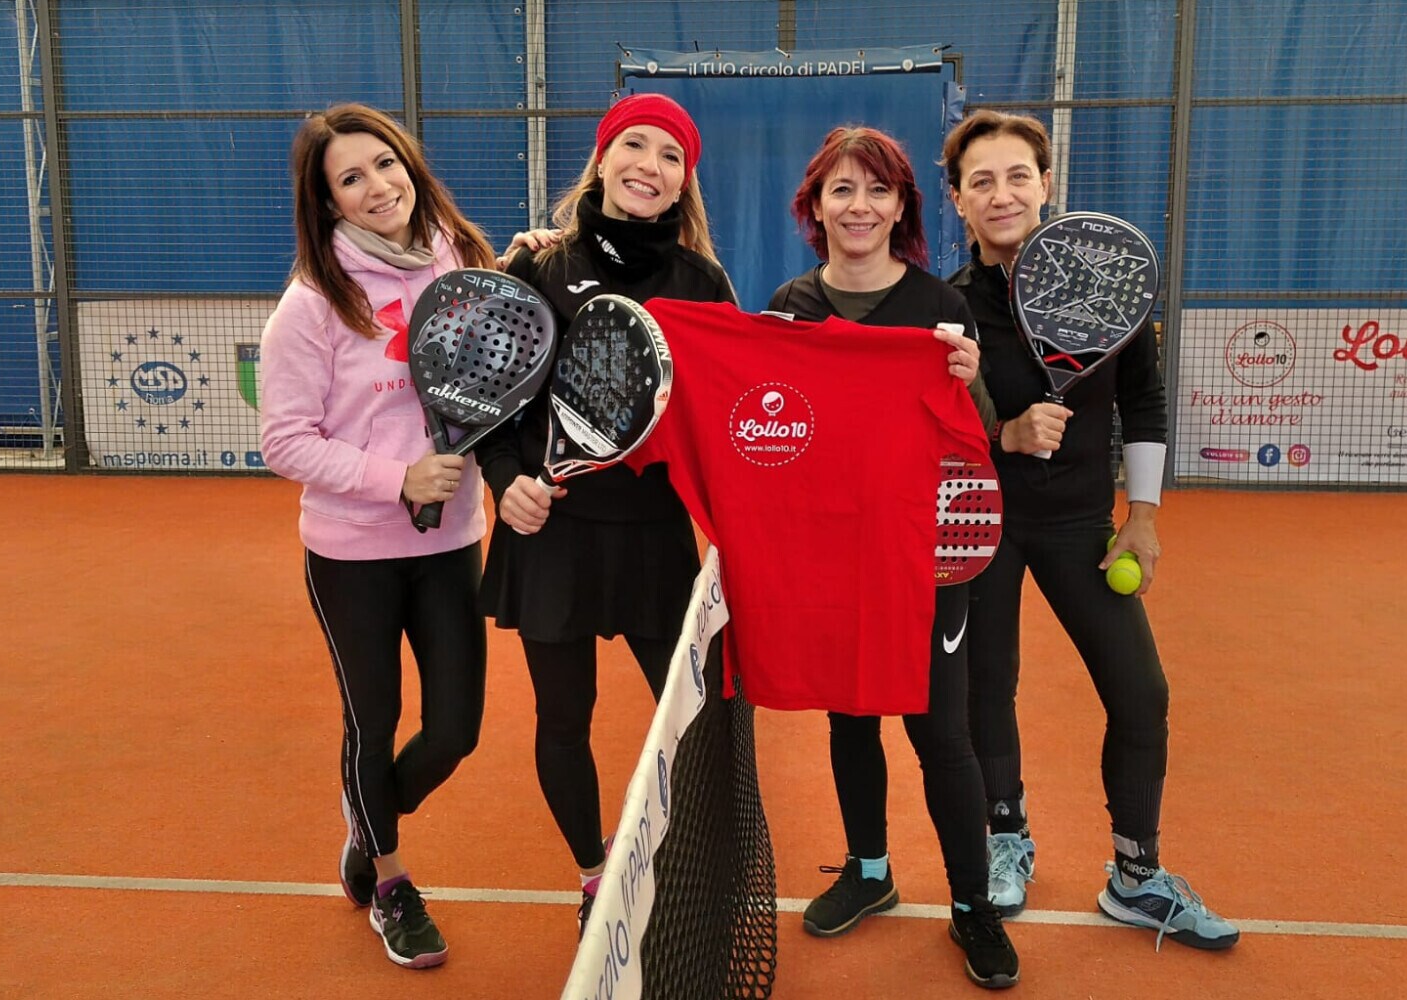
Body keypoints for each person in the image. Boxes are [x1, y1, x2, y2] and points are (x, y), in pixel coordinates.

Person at [941, 110, 1239, 950]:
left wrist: (1141, 516)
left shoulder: (1112, 285)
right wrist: (1003, 431)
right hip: (984, 520)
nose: (1001, 194)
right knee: (987, 688)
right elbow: (932, 426)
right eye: (981, 181)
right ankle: (1005, 838)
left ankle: (1136, 876)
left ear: (1046, 185)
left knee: (1141, 693)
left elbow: (1142, 400)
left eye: (1018, 176)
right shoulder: (949, 306)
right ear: (958, 200)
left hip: (1079, 521)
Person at [474, 93, 737, 934]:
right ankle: (594, 877)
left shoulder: (703, 283)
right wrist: (505, 481)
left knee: (698, 718)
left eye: (670, 154)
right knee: (564, 718)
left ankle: (688, 866)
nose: (648, 165)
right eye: (634, 145)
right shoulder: (538, 267)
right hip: (551, 535)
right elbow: (495, 400)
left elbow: (728, 414)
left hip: (656, 536)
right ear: (602, 158)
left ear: (684, 180)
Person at [766, 125, 1018, 990]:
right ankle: (869, 871)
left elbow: (981, 436)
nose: (860, 206)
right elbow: (775, 429)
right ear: (816, 205)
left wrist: (971, 377)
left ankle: (972, 905)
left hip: (926, 560)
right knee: (850, 718)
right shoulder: (791, 307)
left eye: (877, 190)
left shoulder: (941, 308)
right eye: (842, 189)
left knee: (941, 732)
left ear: (903, 205)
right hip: (833, 557)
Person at [257, 102, 497, 969]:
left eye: (385, 164)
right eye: (350, 179)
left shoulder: (460, 259)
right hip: (352, 553)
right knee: (375, 719)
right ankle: (390, 881)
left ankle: (366, 823)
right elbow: (284, 442)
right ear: (328, 204)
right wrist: (395, 479)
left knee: (456, 730)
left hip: (450, 543)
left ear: (410, 165)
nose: (377, 186)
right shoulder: (310, 305)